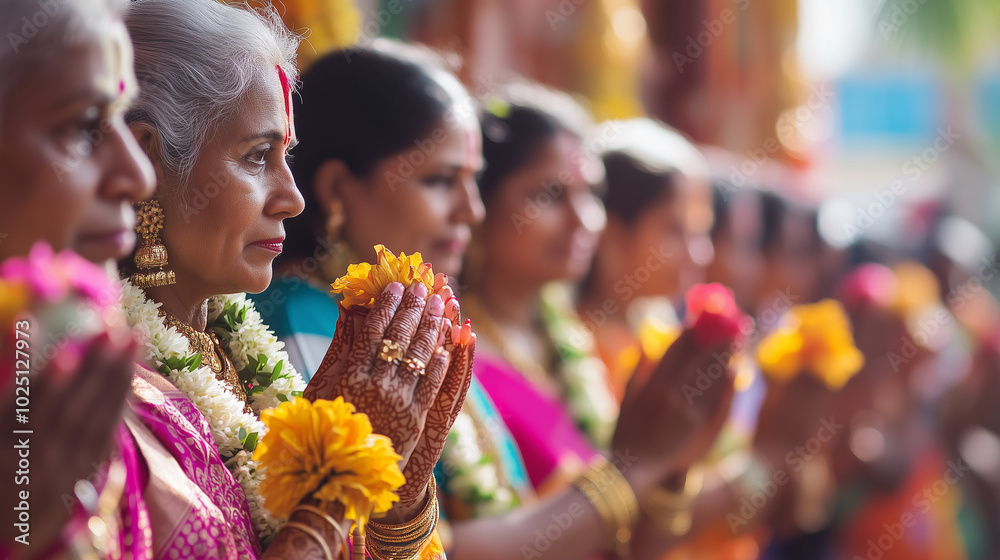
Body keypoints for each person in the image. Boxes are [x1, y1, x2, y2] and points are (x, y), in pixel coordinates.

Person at [2, 0, 472, 557]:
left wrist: (399, 499)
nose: (292, 199)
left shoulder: (238, 363)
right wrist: (336, 487)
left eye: (286, 156)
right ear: (154, 163)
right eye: (256, 157)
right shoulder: (77, 381)